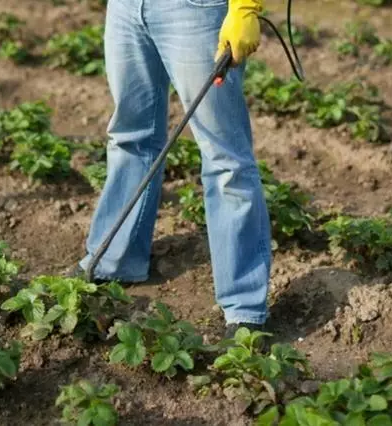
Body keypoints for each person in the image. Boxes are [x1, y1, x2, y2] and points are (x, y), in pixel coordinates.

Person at [69, 0, 271, 338]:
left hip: (195, 10)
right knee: (130, 138)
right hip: (126, 8)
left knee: (226, 161)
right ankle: (113, 261)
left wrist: (244, 8)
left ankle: (244, 306)